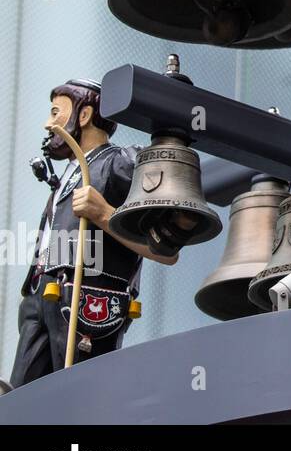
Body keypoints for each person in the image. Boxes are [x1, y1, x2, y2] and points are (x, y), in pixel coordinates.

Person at [7, 79, 177, 389]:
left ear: (83, 116)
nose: (48, 124)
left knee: (79, 395)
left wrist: (103, 214)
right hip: (41, 297)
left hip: (86, 301)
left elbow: (165, 248)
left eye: (56, 113)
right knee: (23, 398)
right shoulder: (67, 177)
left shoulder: (118, 165)